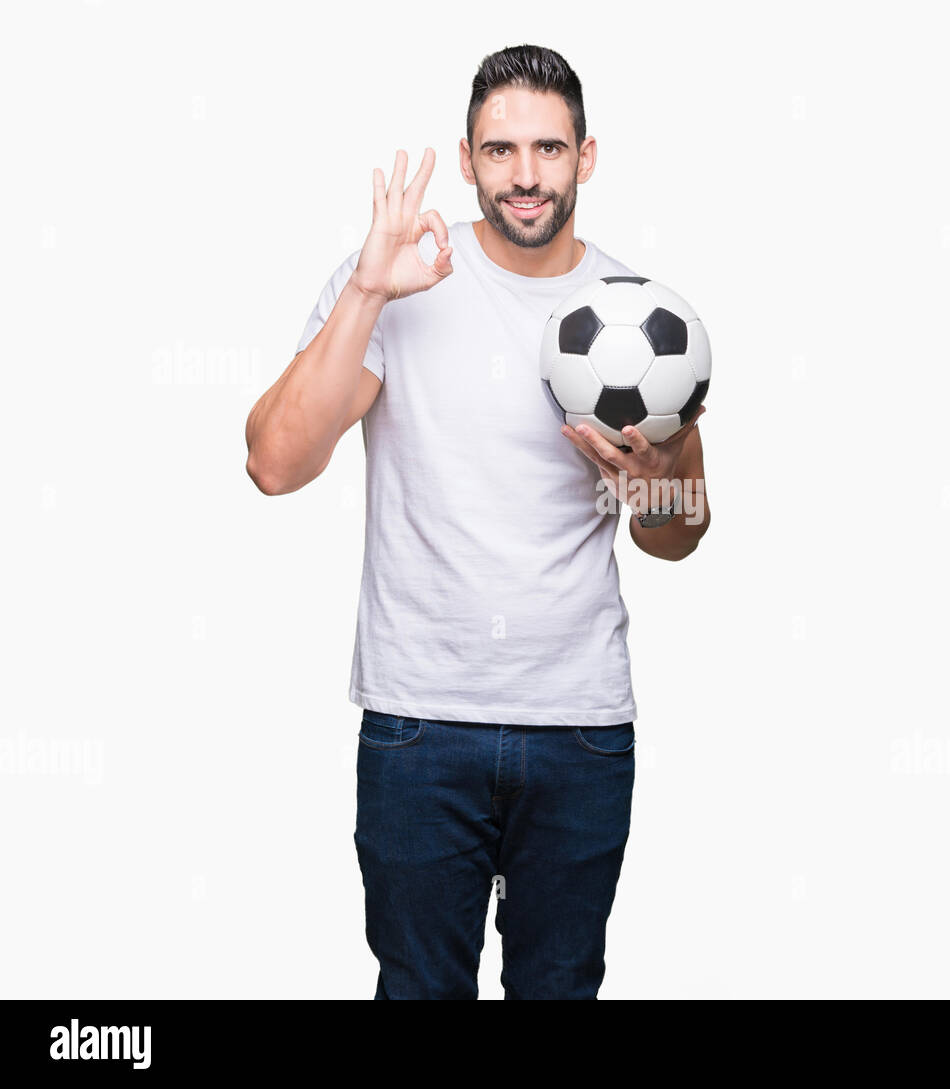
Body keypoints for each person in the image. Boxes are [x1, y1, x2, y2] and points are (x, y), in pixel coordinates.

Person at [243, 43, 710, 999]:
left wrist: (654, 478)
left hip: (578, 727)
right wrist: (370, 289)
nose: (526, 176)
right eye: (501, 151)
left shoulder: (646, 321)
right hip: (420, 724)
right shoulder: (399, 278)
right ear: (467, 161)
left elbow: (678, 533)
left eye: (549, 148)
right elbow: (273, 463)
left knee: (561, 987)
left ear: (587, 157)